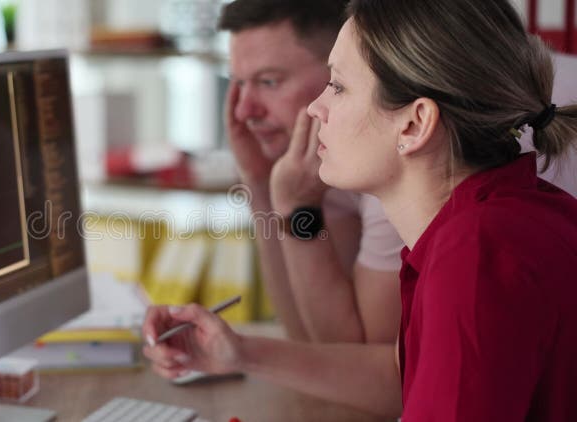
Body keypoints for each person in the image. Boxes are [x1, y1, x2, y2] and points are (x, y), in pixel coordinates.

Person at [144, 0, 577, 419]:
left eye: (338, 86)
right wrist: (237, 352)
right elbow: (404, 375)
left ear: (413, 124)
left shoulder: (474, 253)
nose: (318, 106)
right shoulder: (492, 221)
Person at [220, 0, 404, 344]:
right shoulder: (315, 164)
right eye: (240, 84)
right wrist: (260, 183)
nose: (244, 110)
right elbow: (305, 334)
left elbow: (358, 360)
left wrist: (296, 208)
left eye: (269, 81)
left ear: (341, 70)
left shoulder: (391, 165)